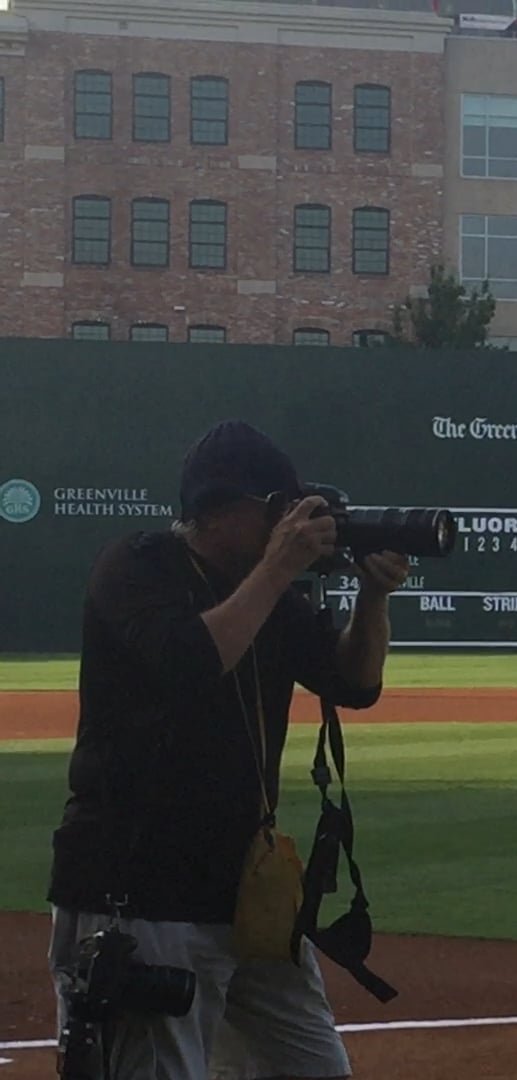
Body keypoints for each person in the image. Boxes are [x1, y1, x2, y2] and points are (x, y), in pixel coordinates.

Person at [45, 419, 405, 1080]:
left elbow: (355, 683)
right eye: (275, 507)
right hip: (138, 888)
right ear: (214, 511)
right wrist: (278, 567)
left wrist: (373, 597)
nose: (288, 523)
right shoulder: (137, 566)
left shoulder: (270, 593)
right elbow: (188, 661)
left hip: (245, 891)